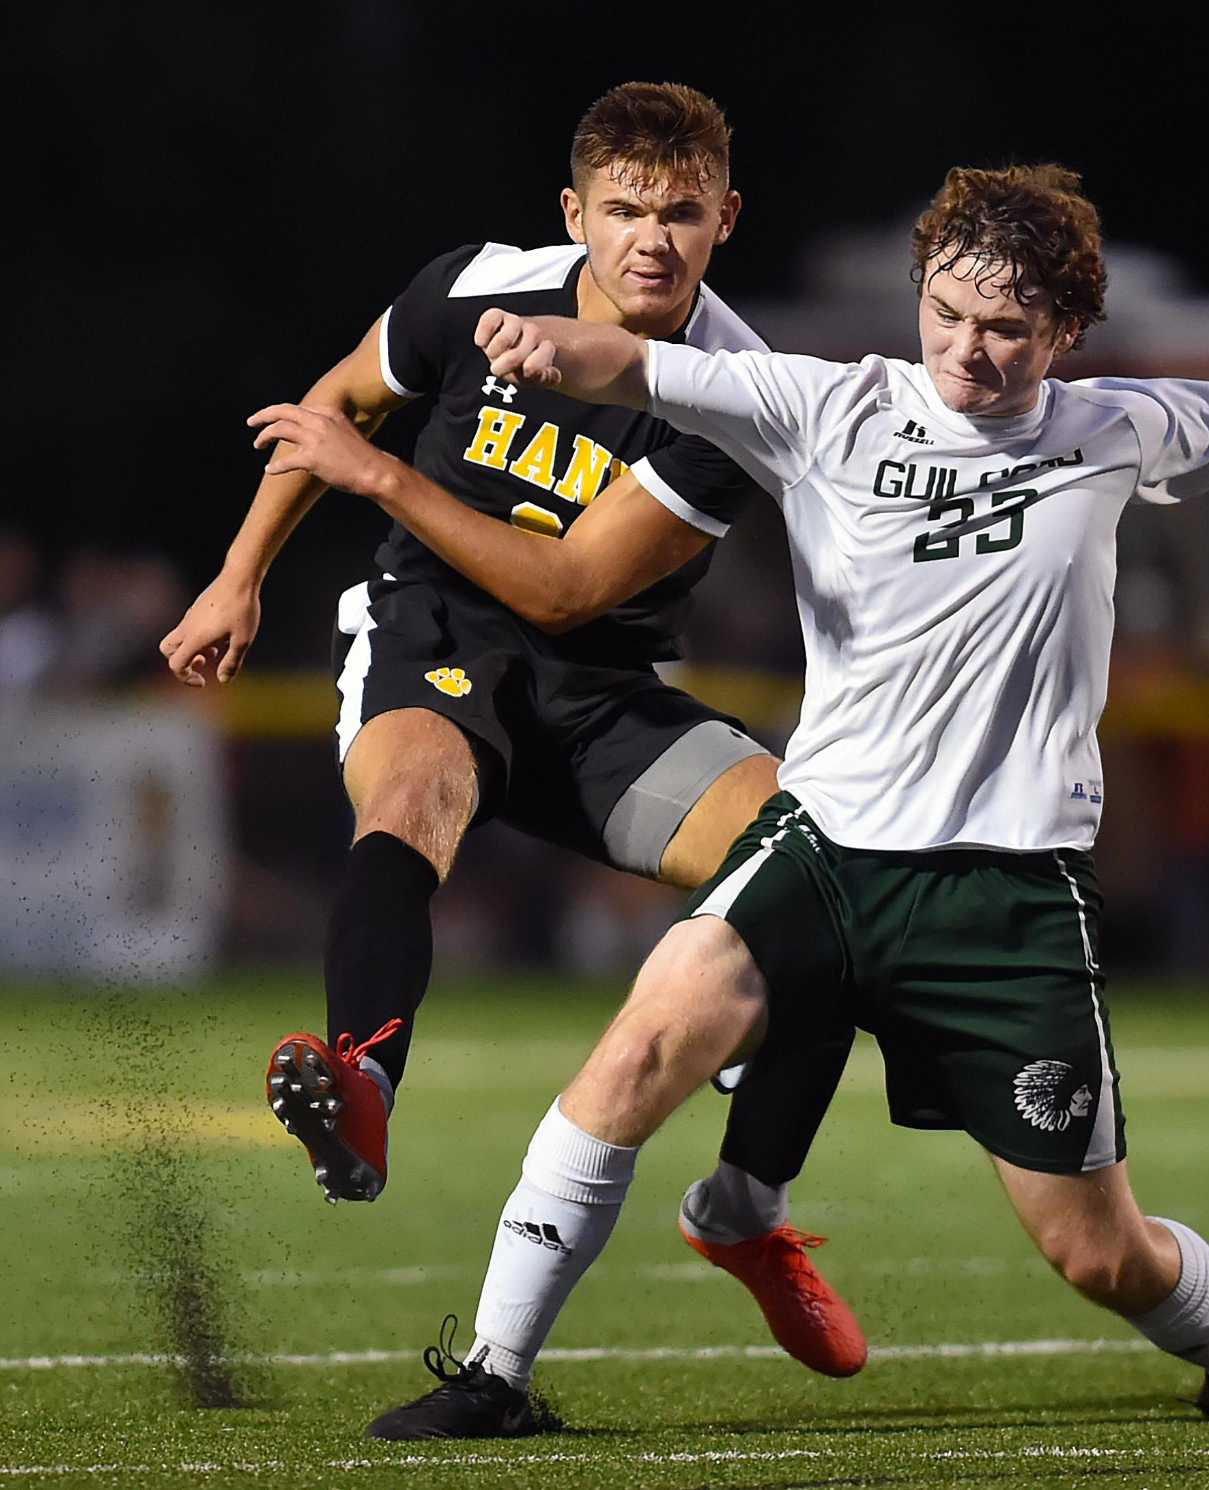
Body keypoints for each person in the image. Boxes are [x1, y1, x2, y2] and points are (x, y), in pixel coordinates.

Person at [252, 162, 1209, 1439]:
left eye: (1006, 326)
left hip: (1003, 899)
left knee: (1095, 1250)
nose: (969, 349)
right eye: (947, 311)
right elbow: (644, 362)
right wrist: (546, 351)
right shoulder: (830, 405)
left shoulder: (1116, 428)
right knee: (629, 1061)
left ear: (1064, 329)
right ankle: (496, 1368)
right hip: (821, 851)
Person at [165, 82, 863, 1378]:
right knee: (412, 798)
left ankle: (745, 1210)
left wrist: (375, 480)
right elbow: (345, 402)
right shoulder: (476, 285)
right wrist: (240, 572)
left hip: (600, 682)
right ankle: (363, 1082)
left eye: (681, 211)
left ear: (727, 219)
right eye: (624, 210)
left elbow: (568, 589)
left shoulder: (739, 390)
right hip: (434, 635)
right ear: (573, 213)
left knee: (822, 871)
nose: (651, 238)